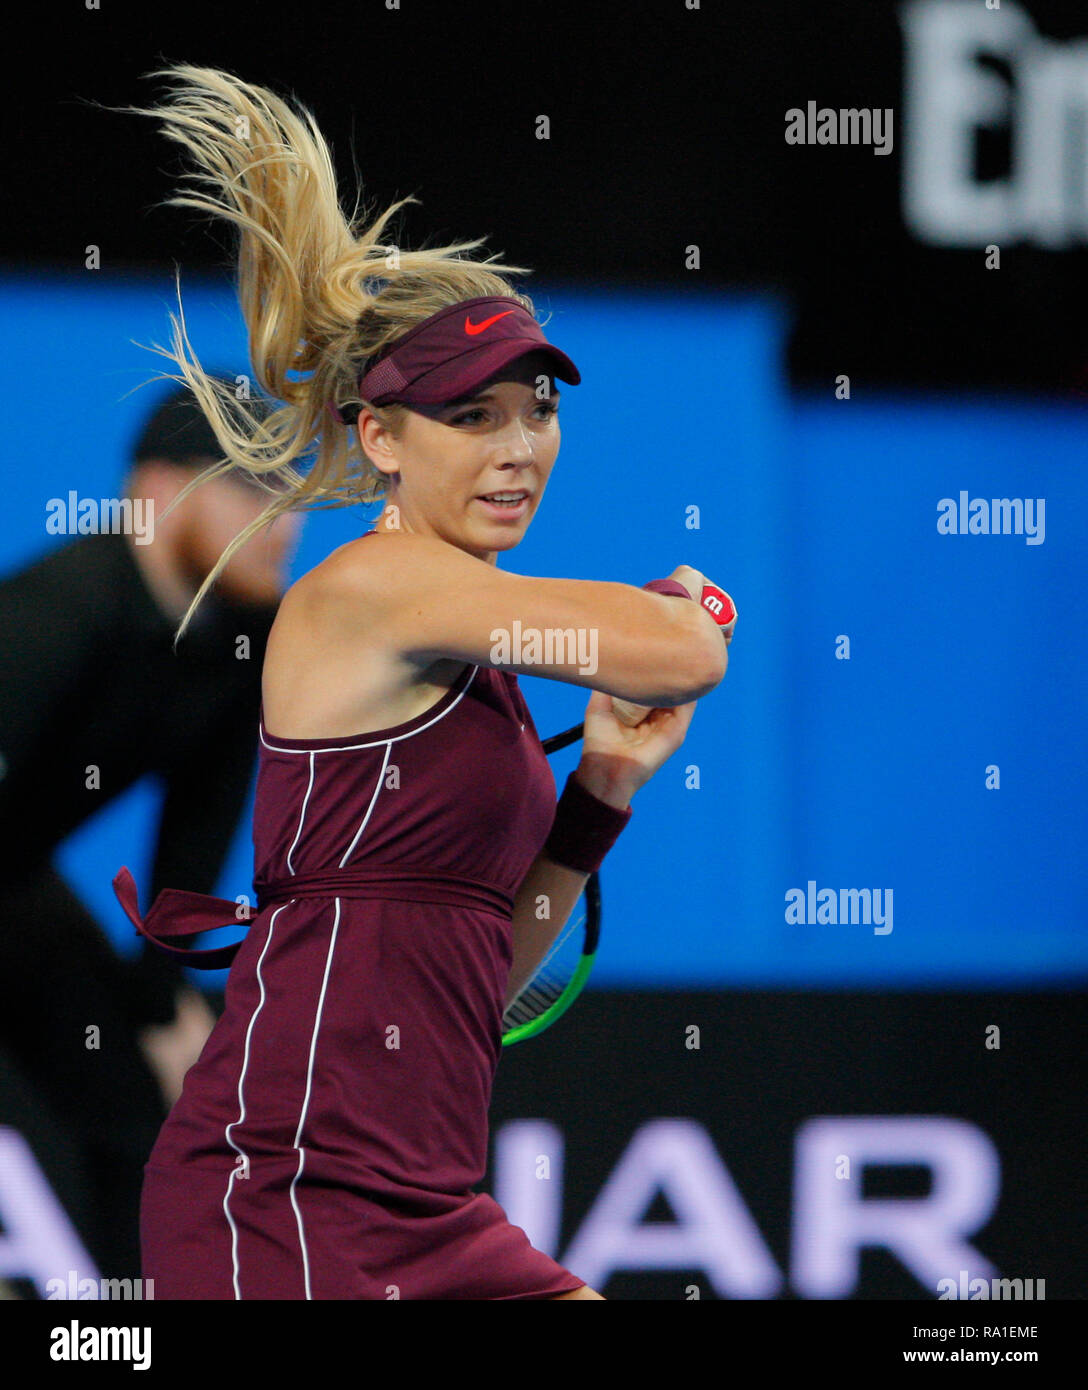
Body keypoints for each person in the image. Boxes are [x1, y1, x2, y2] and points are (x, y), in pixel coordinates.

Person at [111, 64, 733, 1300]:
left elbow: (481, 982)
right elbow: (685, 650)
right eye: (472, 416)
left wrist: (600, 792)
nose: (517, 447)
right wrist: (680, 619)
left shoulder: (473, 663)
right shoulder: (371, 588)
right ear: (382, 440)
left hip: (431, 1203)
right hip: (282, 1193)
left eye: (534, 410)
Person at [0, 380, 300, 1282]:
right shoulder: (54, 613)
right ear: (157, 495)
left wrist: (163, 1003)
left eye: (292, 496)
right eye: (254, 490)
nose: (282, 523)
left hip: (10, 882)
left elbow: (193, 839)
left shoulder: (246, 642)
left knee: (140, 1108)